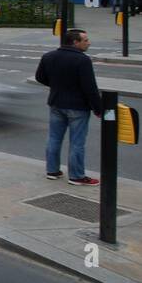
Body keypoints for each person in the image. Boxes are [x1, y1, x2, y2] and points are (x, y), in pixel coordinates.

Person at [35, 28, 103, 186]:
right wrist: (98, 109)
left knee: (54, 138)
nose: (89, 43)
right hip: (78, 107)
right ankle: (76, 176)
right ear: (75, 42)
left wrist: (56, 86)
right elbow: (90, 87)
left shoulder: (49, 56)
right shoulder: (82, 60)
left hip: (56, 103)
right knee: (77, 142)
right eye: (85, 40)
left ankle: (52, 171)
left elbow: (40, 77)